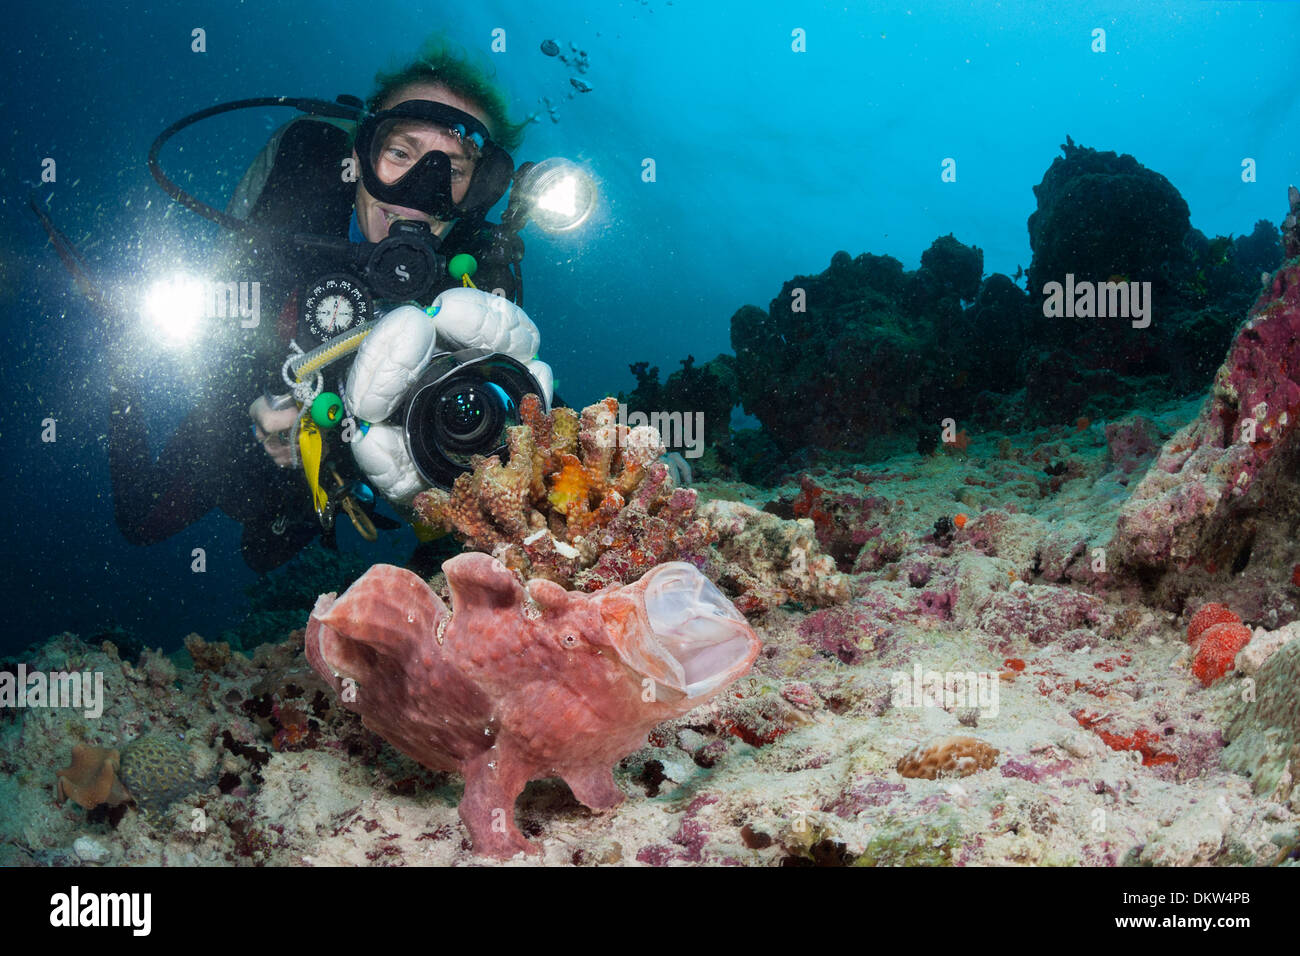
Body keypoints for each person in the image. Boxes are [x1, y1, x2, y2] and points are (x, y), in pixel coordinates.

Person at [110, 38, 531, 573]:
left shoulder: (479, 263)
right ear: (362, 153)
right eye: (400, 152)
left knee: (275, 549)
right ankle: (116, 365)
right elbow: (215, 330)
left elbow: (506, 412)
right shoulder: (299, 199)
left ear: (479, 187)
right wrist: (252, 404)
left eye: (451, 169)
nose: (420, 192)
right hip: (250, 406)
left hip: (360, 462)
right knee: (145, 522)